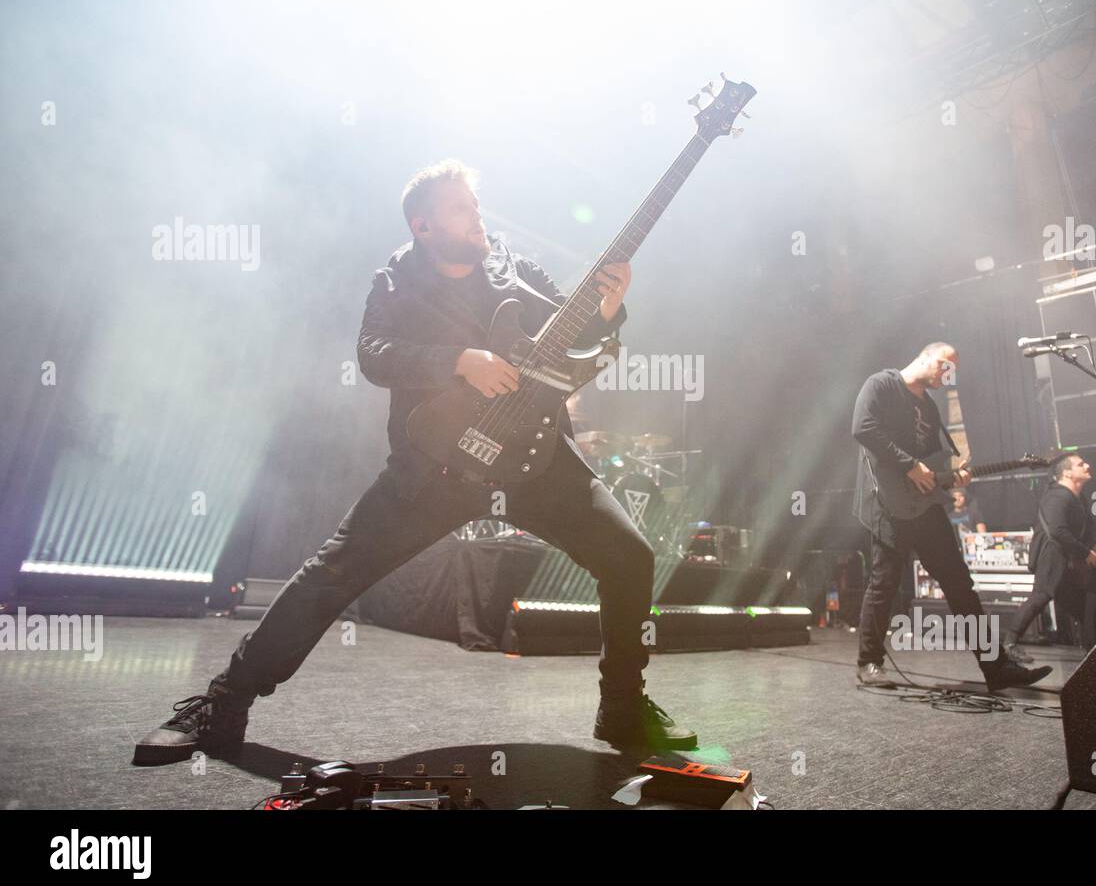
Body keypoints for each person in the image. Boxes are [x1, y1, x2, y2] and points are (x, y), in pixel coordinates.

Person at [133, 160, 696, 766]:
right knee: (332, 573)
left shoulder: (514, 268)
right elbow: (373, 354)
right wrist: (458, 359)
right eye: (461, 208)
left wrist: (609, 309)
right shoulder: (395, 282)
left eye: (477, 205)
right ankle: (223, 704)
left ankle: (622, 706)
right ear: (423, 225)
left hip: (532, 458)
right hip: (436, 467)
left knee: (630, 554)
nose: (477, 217)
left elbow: (576, 336)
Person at [851, 342, 1051, 691]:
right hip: (887, 502)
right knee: (885, 583)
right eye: (946, 366)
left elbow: (933, 466)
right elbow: (863, 428)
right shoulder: (882, 384)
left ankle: (996, 668)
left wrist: (952, 476)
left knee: (960, 584)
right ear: (927, 355)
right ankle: (869, 662)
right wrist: (909, 465)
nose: (949, 375)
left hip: (924, 507)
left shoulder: (930, 409)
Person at [1004, 453, 1096, 660]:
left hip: (1070, 560)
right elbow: (1057, 530)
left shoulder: (1078, 498)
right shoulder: (1057, 495)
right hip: (1053, 556)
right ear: (1066, 472)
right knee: (1040, 597)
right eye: (1080, 464)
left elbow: (1075, 532)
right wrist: (1087, 552)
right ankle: (1009, 645)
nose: (1087, 465)